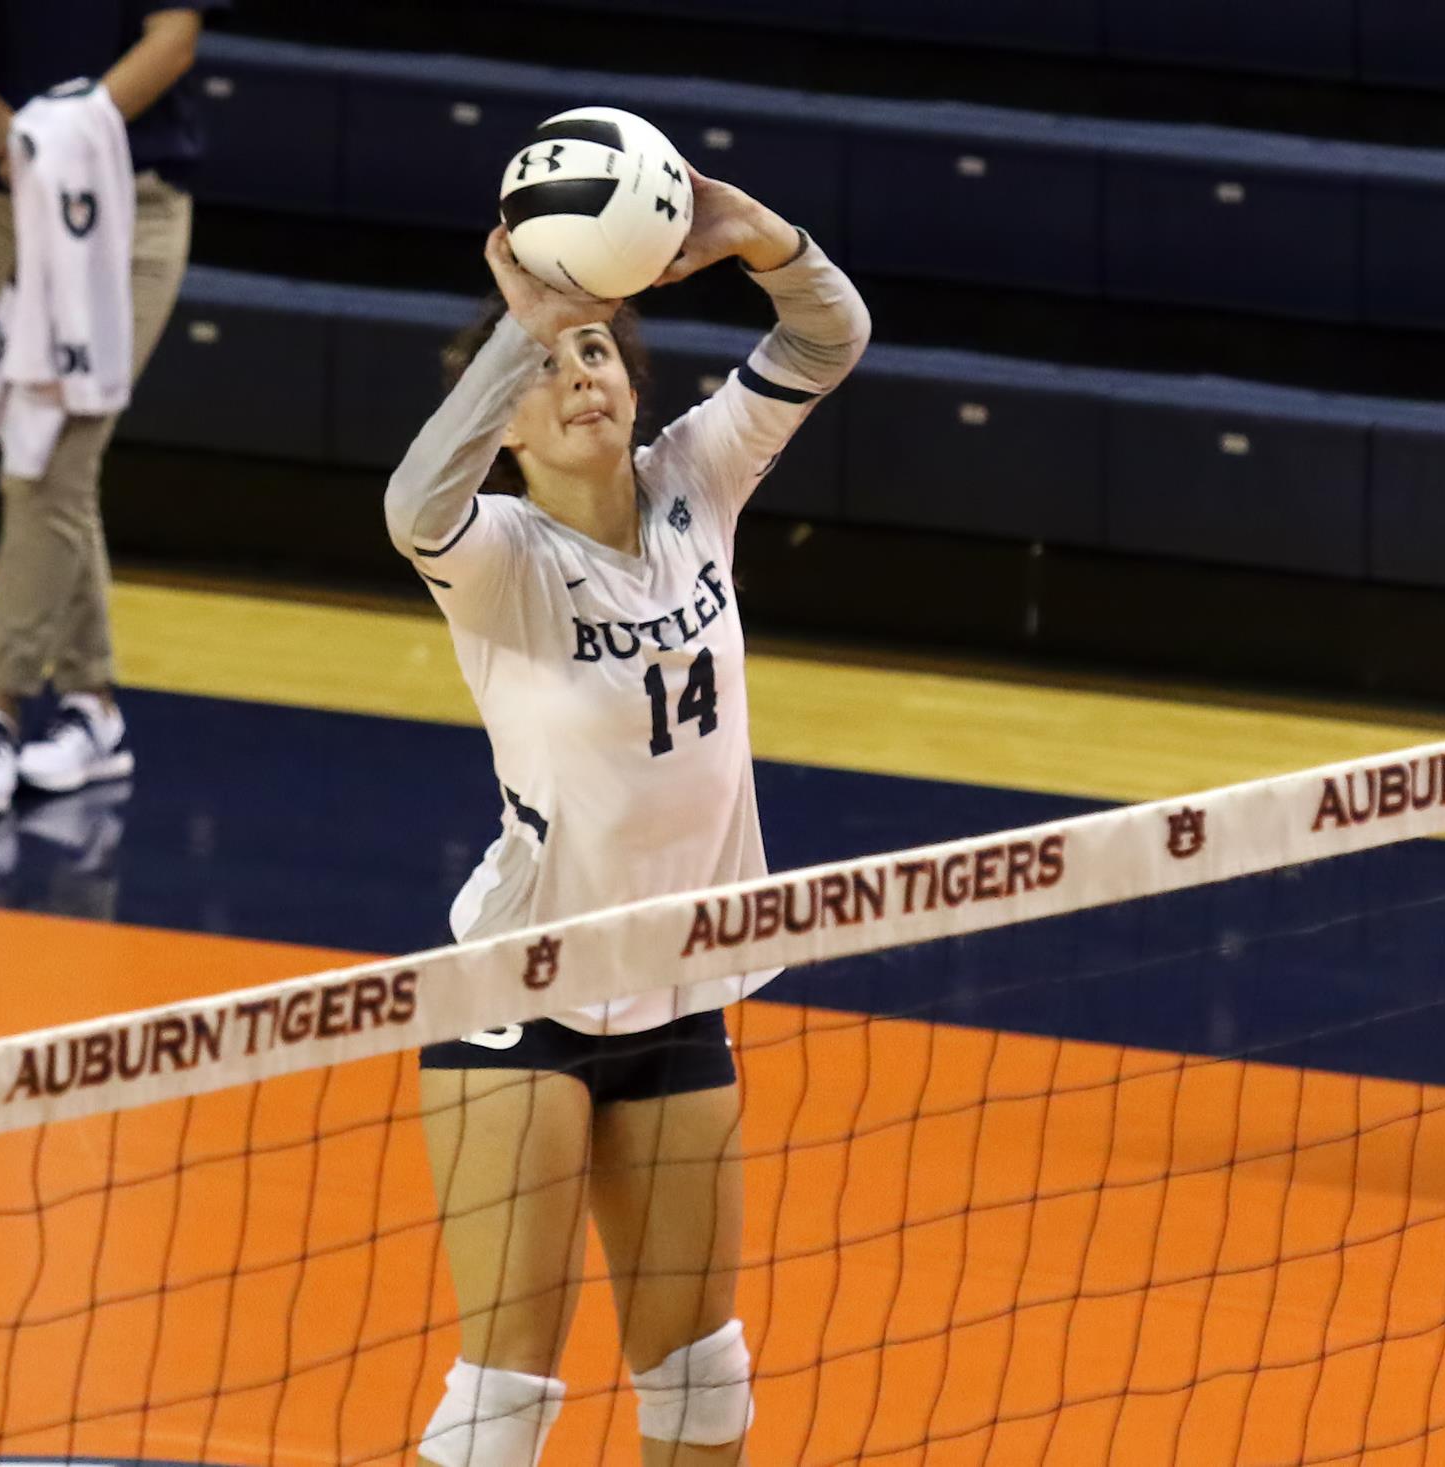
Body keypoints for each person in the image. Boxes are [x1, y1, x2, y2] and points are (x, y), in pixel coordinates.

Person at [385, 173, 870, 1467]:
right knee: (504, 1401)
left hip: (672, 987)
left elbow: (829, 336)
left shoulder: (695, 484)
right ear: (505, 423)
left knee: (706, 1381)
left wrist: (754, 231)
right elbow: (409, 504)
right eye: (548, 368)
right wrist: (525, 320)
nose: (581, 373)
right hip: (520, 991)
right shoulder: (497, 558)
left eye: (595, 346)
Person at [0, 0, 225, 815]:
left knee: (53, 452)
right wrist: (16, 139)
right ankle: (93, 709)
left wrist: (66, 132)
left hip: (130, 197)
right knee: (49, 457)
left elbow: (176, 35)